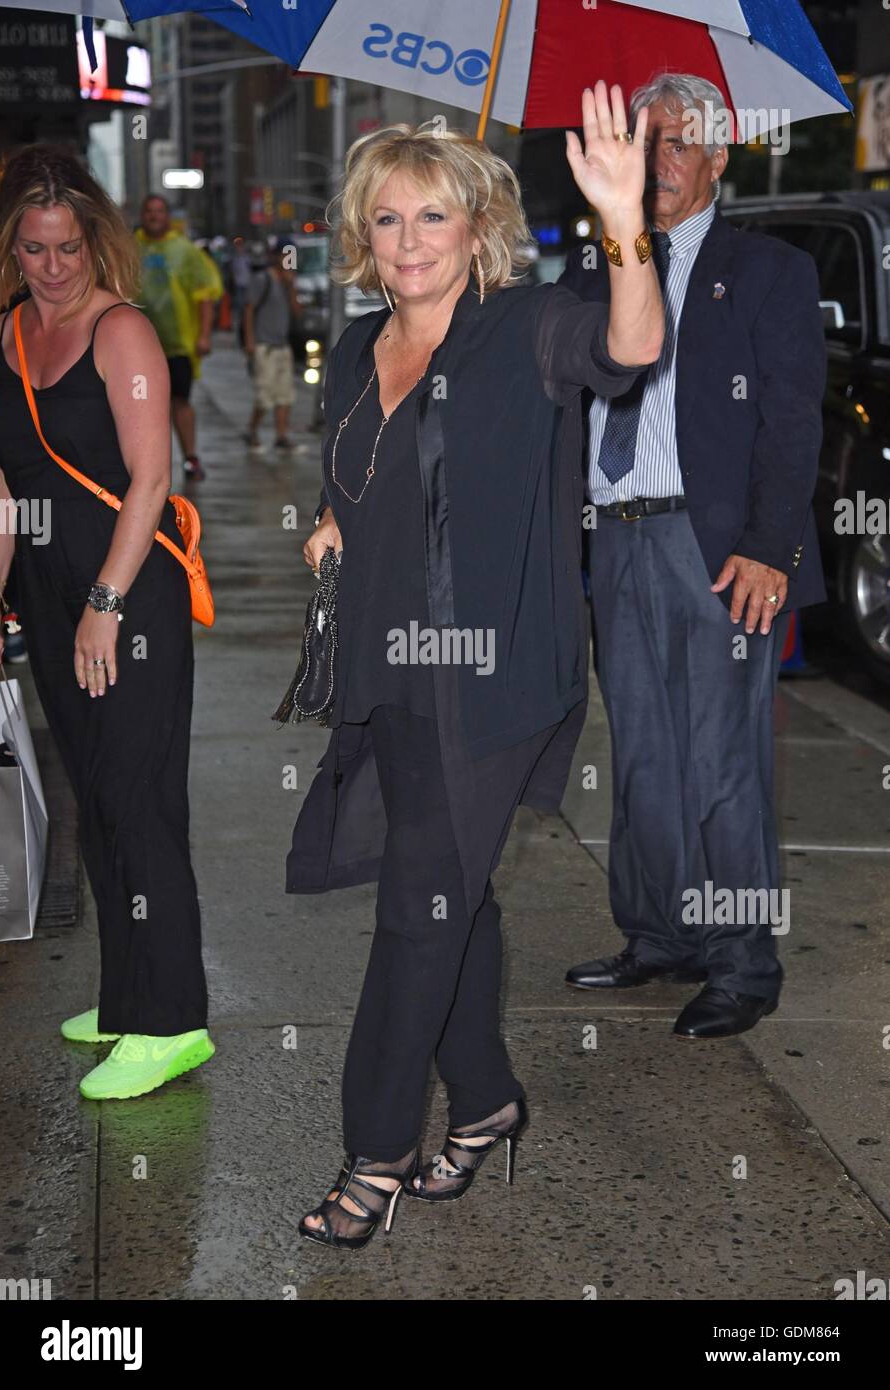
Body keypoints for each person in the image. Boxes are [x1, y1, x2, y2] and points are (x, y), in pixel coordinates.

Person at [287, 82, 664, 1249]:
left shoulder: (528, 325)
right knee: (451, 889)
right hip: (385, 664)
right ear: (364, 233)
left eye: (432, 218)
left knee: (415, 906)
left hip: (492, 674)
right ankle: (490, 1099)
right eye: (388, 219)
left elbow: (630, 345)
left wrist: (620, 225)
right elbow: (356, 467)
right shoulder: (356, 344)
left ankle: (375, 1151)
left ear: (477, 227)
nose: (407, 241)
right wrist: (332, 521)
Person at [559, 72, 827, 1038]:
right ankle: (661, 933)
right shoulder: (594, 268)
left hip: (716, 551)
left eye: (675, 141)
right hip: (616, 540)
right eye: (642, 139)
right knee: (641, 754)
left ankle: (743, 963)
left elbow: (793, 424)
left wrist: (769, 548)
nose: (656, 158)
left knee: (720, 763)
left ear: (719, 157)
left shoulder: (767, 270)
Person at [0, 145, 214, 1099]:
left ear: (96, 242)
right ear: (10, 246)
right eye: (35, 249)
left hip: (126, 592)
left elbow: (151, 479)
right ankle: (128, 996)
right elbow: (0, 481)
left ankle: (173, 1021)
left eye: (69, 248)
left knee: (138, 797)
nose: (53, 267)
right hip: (44, 590)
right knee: (93, 797)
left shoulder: (121, 330)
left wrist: (104, 606)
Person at [134, 193, 223, 481]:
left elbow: (205, 294)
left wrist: (204, 335)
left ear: (168, 216)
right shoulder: (129, 248)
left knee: (180, 402)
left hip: (178, 345)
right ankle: (146, 467)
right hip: (137, 347)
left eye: (159, 211)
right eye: (149, 211)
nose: (154, 216)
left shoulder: (185, 250)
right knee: (142, 405)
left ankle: (190, 459)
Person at [242, 238, 301, 452]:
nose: (287, 260)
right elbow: (248, 309)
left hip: (282, 345)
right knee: (265, 394)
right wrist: (250, 340)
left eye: (291, 256)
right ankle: (252, 430)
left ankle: (282, 435)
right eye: (284, 255)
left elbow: (296, 312)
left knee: (285, 393)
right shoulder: (262, 279)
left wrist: (291, 285)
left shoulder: (288, 281)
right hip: (264, 344)